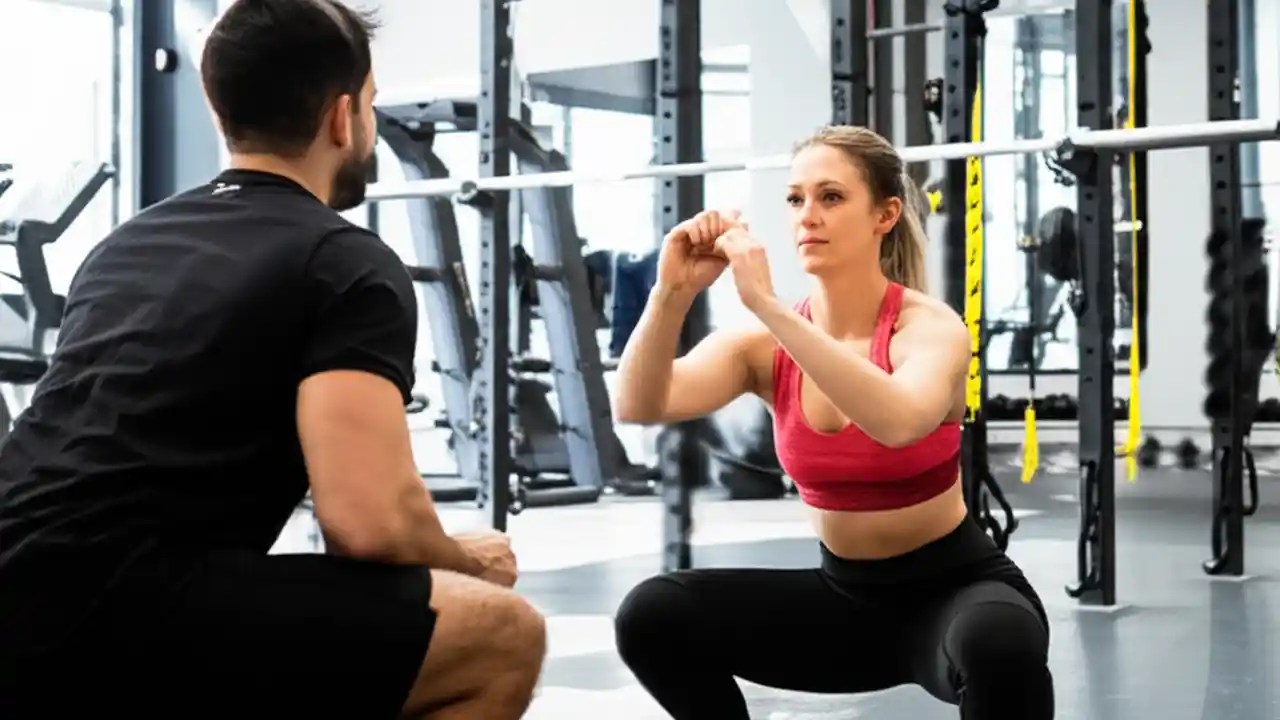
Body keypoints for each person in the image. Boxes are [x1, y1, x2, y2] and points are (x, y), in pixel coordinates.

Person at [0, 1, 545, 718]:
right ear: (343, 118)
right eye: (373, 106)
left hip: (22, 584)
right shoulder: (345, 261)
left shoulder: (126, 243)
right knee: (500, 634)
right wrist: (470, 559)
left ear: (220, 108)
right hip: (104, 610)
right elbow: (369, 526)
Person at [611, 125, 1054, 719]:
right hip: (842, 601)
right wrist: (671, 292)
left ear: (885, 214)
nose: (807, 216)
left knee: (999, 644)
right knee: (653, 614)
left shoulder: (930, 329)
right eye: (796, 199)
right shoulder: (760, 349)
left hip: (955, 594)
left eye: (831, 197)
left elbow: (899, 422)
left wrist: (767, 307)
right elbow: (639, 403)